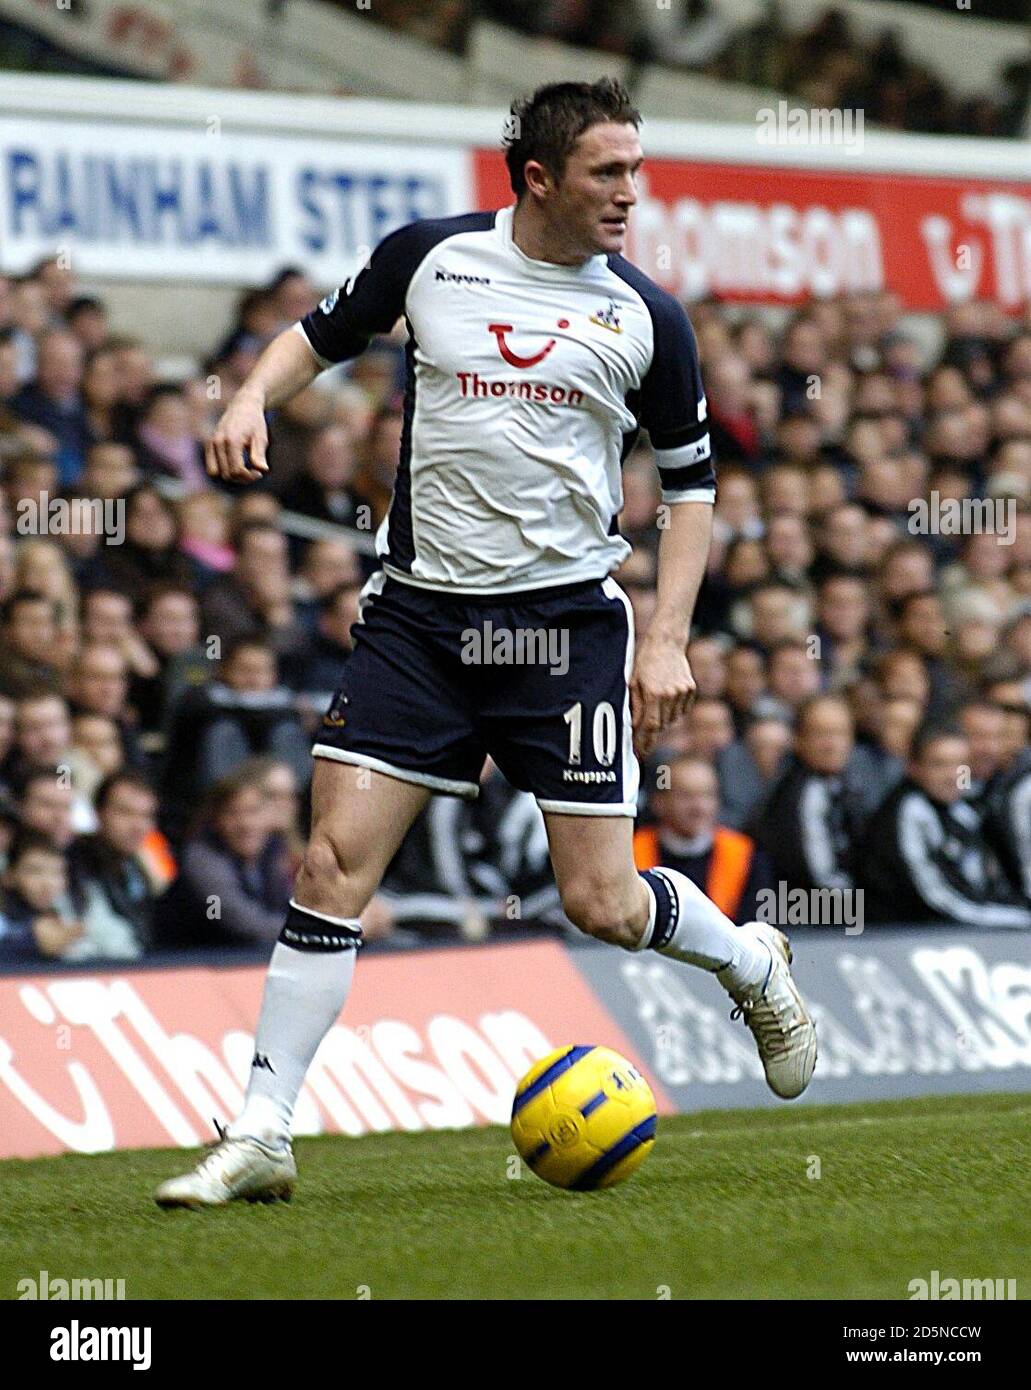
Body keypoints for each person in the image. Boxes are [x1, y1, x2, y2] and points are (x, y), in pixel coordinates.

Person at [155, 78, 815, 1210]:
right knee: (328, 866)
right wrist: (249, 400)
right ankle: (262, 1131)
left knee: (599, 905)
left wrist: (664, 636)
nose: (629, 194)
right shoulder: (429, 257)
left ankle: (753, 963)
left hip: (563, 628)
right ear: (539, 176)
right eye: (608, 173)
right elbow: (317, 338)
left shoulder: (647, 316)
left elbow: (693, 491)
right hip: (418, 617)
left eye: (636, 170)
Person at [861, 726, 1031, 928]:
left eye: (960, 765)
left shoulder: (964, 809)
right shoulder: (909, 810)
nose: (952, 775)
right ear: (913, 767)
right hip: (902, 935)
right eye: (938, 765)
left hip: (964, 927)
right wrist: (1017, 919)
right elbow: (937, 900)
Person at [633, 754, 772, 924]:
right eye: (685, 796)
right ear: (658, 802)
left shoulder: (747, 856)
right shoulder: (630, 855)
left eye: (707, 795)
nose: (698, 807)